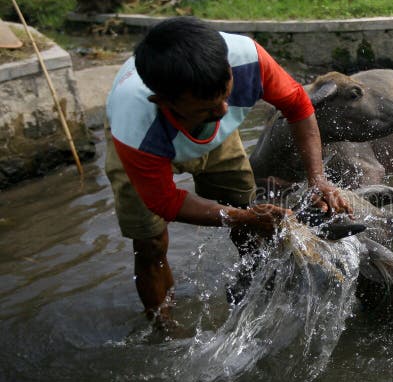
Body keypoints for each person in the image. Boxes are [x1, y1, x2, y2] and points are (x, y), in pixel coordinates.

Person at [105, 16, 350, 323]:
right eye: (207, 107)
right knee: (150, 243)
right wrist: (243, 216)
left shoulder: (249, 59)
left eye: (226, 96)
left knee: (252, 223)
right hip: (149, 150)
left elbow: (298, 106)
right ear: (164, 101)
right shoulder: (135, 125)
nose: (223, 111)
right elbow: (164, 202)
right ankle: (162, 325)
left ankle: (257, 296)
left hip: (217, 143)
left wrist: (318, 179)